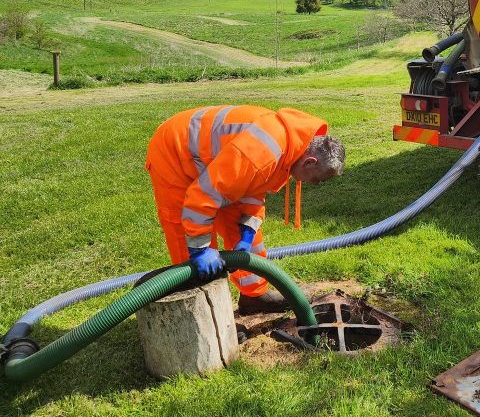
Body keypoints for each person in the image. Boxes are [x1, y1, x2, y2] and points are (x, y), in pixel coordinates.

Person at [145, 105, 344, 314]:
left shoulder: (289, 150)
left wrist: (247, 231)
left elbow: (254, 187)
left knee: (243, 227)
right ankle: (205, 311)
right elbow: (202, 196)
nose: (314, 184)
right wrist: (200, 249)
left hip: (217, 163)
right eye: (317, 179)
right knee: (185, 234)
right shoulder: (263, 152)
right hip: (175, 154)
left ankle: (254, 297)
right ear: (309, 162)